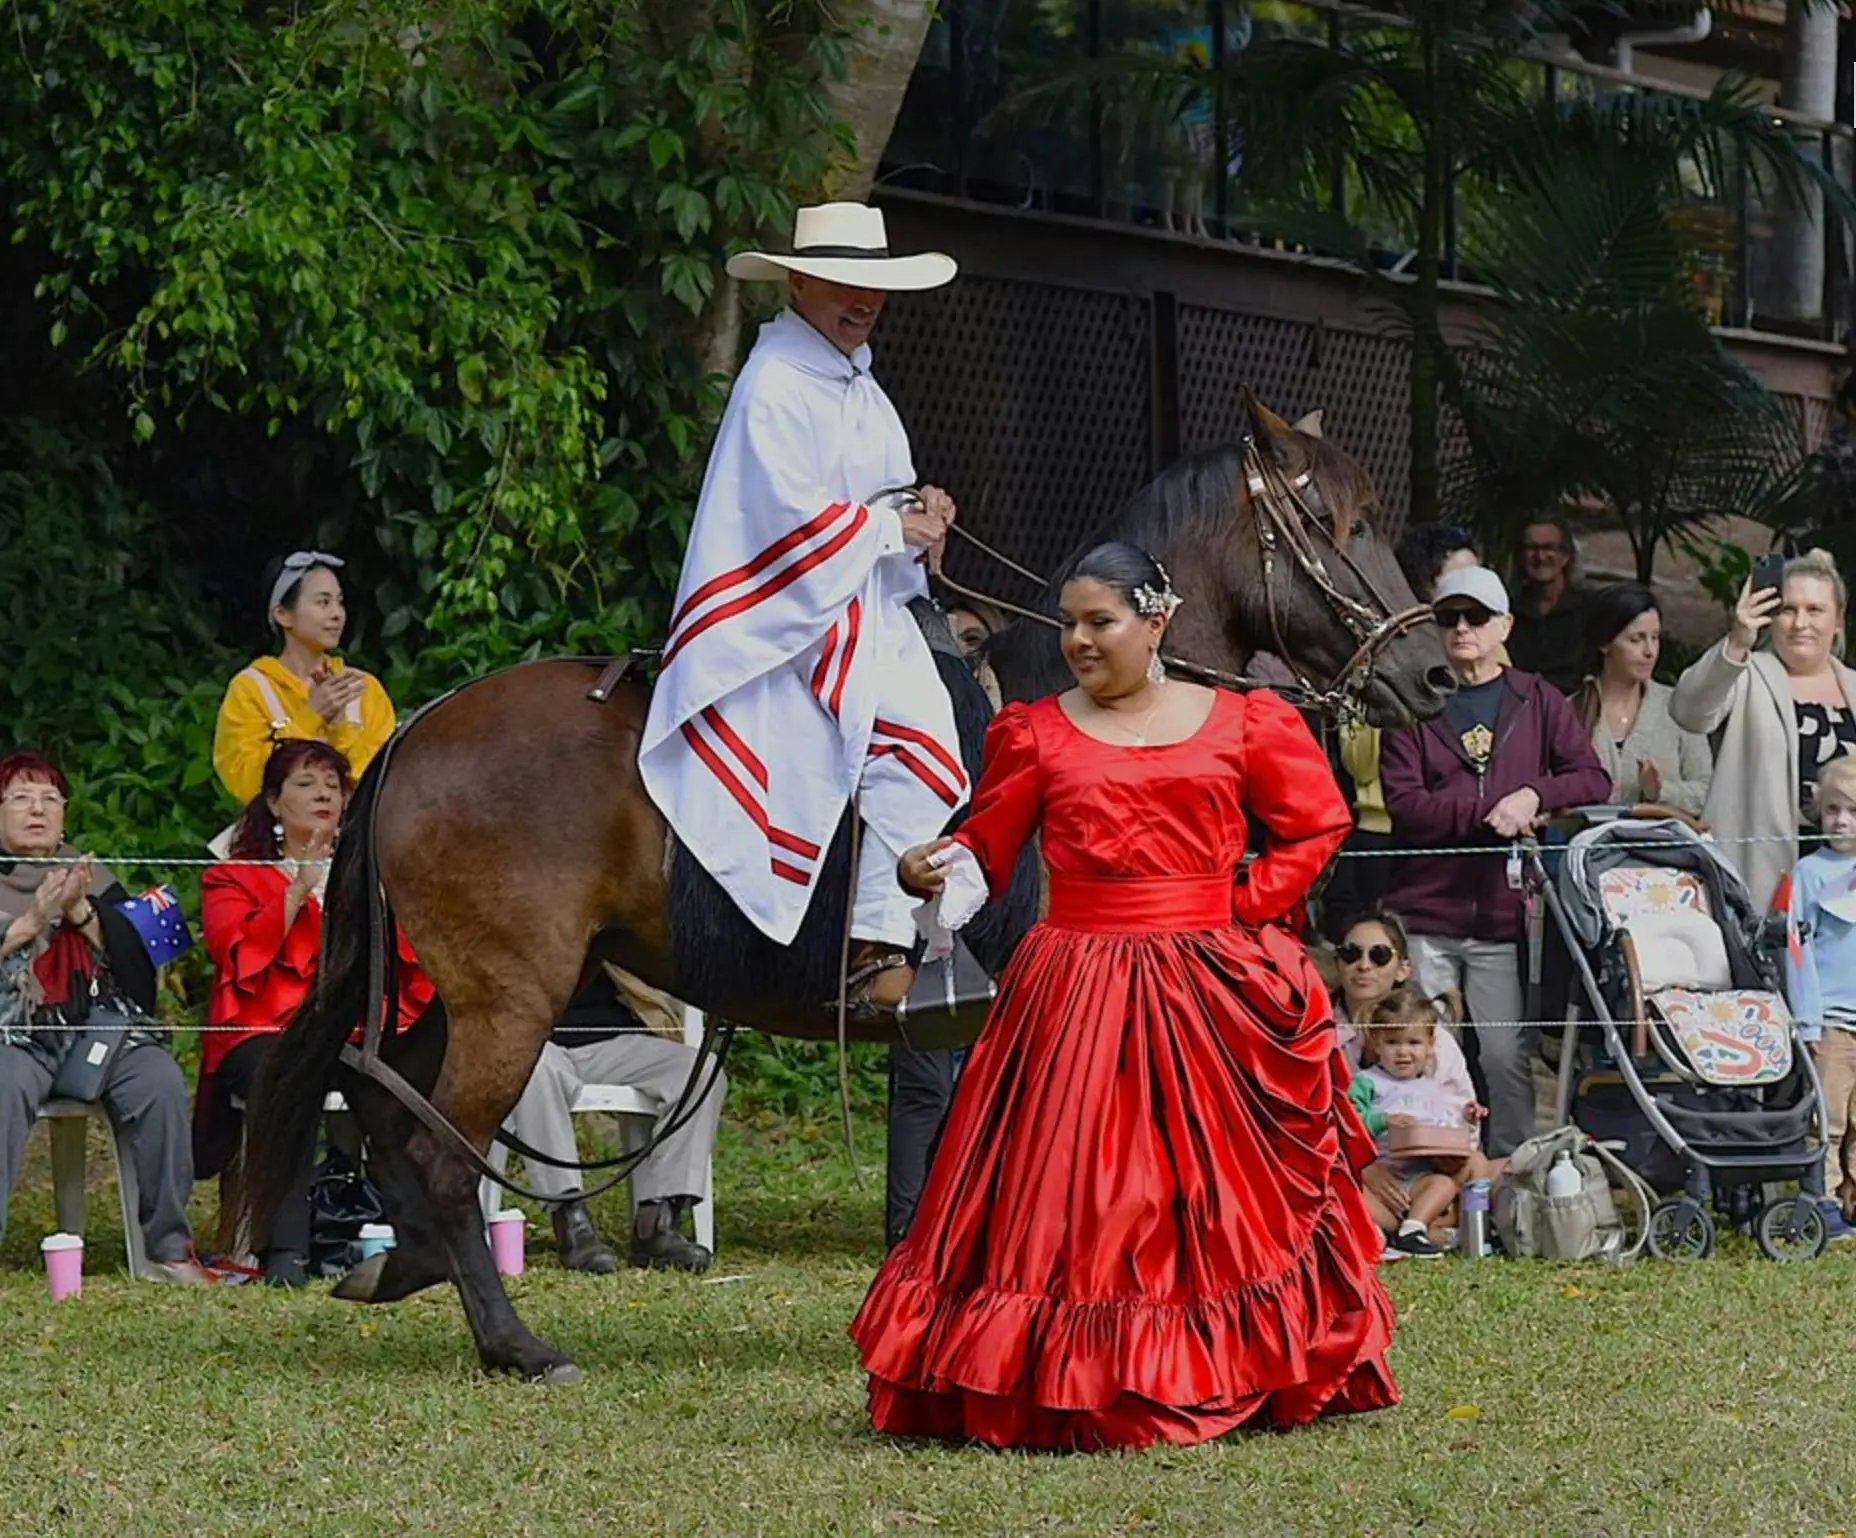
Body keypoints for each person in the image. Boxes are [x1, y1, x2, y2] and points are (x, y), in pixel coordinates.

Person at [852, 541, 1397, 1451]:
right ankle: (1075, 1375)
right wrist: (930, 867)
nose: (1076, 640)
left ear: (1157, 620)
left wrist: (1239, 905)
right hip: (1074, 987)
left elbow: (1317, 824)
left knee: (1208, 1194)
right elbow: (984, 846)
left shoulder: (1243, 722)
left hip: (1206, 985)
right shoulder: (1035, 731)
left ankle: (1226, 1365)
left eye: (1098, 621)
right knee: (1081, 1197)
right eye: (1068, 623)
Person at [635, 202, 970, 1251]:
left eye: (872, 285)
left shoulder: (858, 383)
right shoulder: (776, 380)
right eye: (842, 283)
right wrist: (887, 525)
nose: (862, 299)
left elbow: (877, 521)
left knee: (943, 714)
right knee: (919, 742)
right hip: (784, 621)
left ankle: (903, 926)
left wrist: (921, 528)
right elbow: (776, 524)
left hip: (854, 603)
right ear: (797, 284)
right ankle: (875, 942)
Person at [1380, 565, 1611, 1158]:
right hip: (1425, 911)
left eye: (1476, 616)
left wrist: (1534, 796)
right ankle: (1431, 1170)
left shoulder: (1537, 698)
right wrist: (1489, 811)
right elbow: (1405, 805)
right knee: (1422, 1049)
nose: (1462, 628)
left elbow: (1592, 777)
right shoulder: (1414, 701)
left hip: (1503, 917)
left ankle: (1512, 1175)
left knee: (1506, 1055)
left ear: (1505, 624)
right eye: (1448, 617)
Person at [198, 740, 432, 1286]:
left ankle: (409, 1233)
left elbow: (405, 961)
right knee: (288, 1075)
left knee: (402, 1078)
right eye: (306, 783)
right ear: (274, 804)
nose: (324, 793)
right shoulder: (232, 876)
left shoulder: (366, 873)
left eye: (333, 784)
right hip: (263, 1030)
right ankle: (286, 1252)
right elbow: (231, 953)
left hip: (348, 1027)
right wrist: (295, 892)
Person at [0, 751, 209, 1282]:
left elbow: (136, 973)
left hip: (97, 1027)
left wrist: (81, 913)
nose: (37, 810)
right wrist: (31, 920)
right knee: (4, 1083)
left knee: (160, 1079)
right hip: (16, 1034)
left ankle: (168, 1248)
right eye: (22, 798)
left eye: (50, 798)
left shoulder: (91, 875)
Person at [1671, 550, 1856, 914]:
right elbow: (1688, 712)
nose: (1800, 622)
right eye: (1788, 609)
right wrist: (1738, 641)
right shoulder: (1745, 672)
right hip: (1763, 882)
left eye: (1814, 610)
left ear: (1838, 620)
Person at [505, 968, 723, 1274]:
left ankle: (658, 1223)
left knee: (701, 1072)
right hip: (536, 1043)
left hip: (616, 1041)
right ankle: (571, 1221)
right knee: (531, 1070)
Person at [1330, 533, 1492, 935]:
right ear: (1423, 591)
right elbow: (1360, 763)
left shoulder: (1490, 653)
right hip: (1384, 837)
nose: (1473, 592)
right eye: (1461, 577)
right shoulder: (1382, 655)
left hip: (1467, 838)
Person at [212, 550, 396, 806]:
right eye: (323, 602)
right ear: (282, 614)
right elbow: (247, 782)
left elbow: (382, 783)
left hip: (358, 843)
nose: (337, 614)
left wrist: (341, 726)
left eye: (339, 602)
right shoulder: (250, 690)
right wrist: (310, 716)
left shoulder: (363, 689)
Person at [1353, 986, 1492, 1259]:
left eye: (1413, 1043)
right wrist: (1382, 1120)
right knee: (1347, 1189)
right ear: (1377, 1044)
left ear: (1430, 1047)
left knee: (1449, 1180)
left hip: (1419, 1177)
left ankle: (1414, 1229)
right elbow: (1348, 1121)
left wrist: (1467, 1117)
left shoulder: (1432, 1087)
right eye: (1393, 1043)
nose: (1403, 1052)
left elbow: (1444, 1128)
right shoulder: (1367, 1082)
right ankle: (1392, 1233)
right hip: (1378, 1174)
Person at [1786, 754, 1856, 1239]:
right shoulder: (1809, 873)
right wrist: (1807, 1021)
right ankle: (1827, 1200)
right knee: (1829, 1117)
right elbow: (1797, 951)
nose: (1842, 820)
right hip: (1830, 1018)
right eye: (1833, 809)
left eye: (1853, 811)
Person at [1573, 582, 1712, 815]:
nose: (1650, 651)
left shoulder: (1678, 706)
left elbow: (1707, 791)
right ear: (1605, 643)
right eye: (1636, 639)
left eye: (1655, 638)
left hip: (1664, 847)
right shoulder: (1569, 711)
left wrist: (1660, 792)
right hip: (1587, 846)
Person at [1507, 516, 1589, 695]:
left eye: (1548, 547)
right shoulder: (1507, 612)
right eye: (1532, 548)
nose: (1540, 556)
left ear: (1565, 555)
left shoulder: (1590, 609)